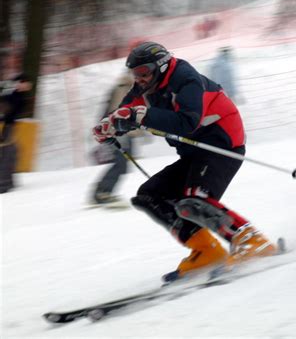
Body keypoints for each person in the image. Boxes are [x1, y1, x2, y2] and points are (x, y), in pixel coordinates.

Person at [92, 42, 276, 279]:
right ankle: (205, 251)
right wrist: (109, 126)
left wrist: (140, 115)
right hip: (194, 152)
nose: (138, 79)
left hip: (221, 145)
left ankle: (253, 242)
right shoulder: (146, 85)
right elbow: (126, 110)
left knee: (194, 200)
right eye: (134, 74)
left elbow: (186, 122)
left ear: (161, 66)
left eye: (143, 72)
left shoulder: (185, 78)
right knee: (149, 195)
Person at [90, 72, 136, 206]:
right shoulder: (124, 89)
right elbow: (118, 112)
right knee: (120, 164)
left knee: (122, 165)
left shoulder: (126, 88)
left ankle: (102, 191)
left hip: (124, 132)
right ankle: (102, 192)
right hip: (119, 132)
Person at [0, 73, 32, 193]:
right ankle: (3, 184)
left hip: (10, 126)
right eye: (25, 82)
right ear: (19, 84)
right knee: (8, 154)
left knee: (12, 152)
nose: (29, 84)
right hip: (7, 126)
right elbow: (4, 112)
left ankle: (8, 181)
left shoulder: (20, 96)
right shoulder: (11, 96)